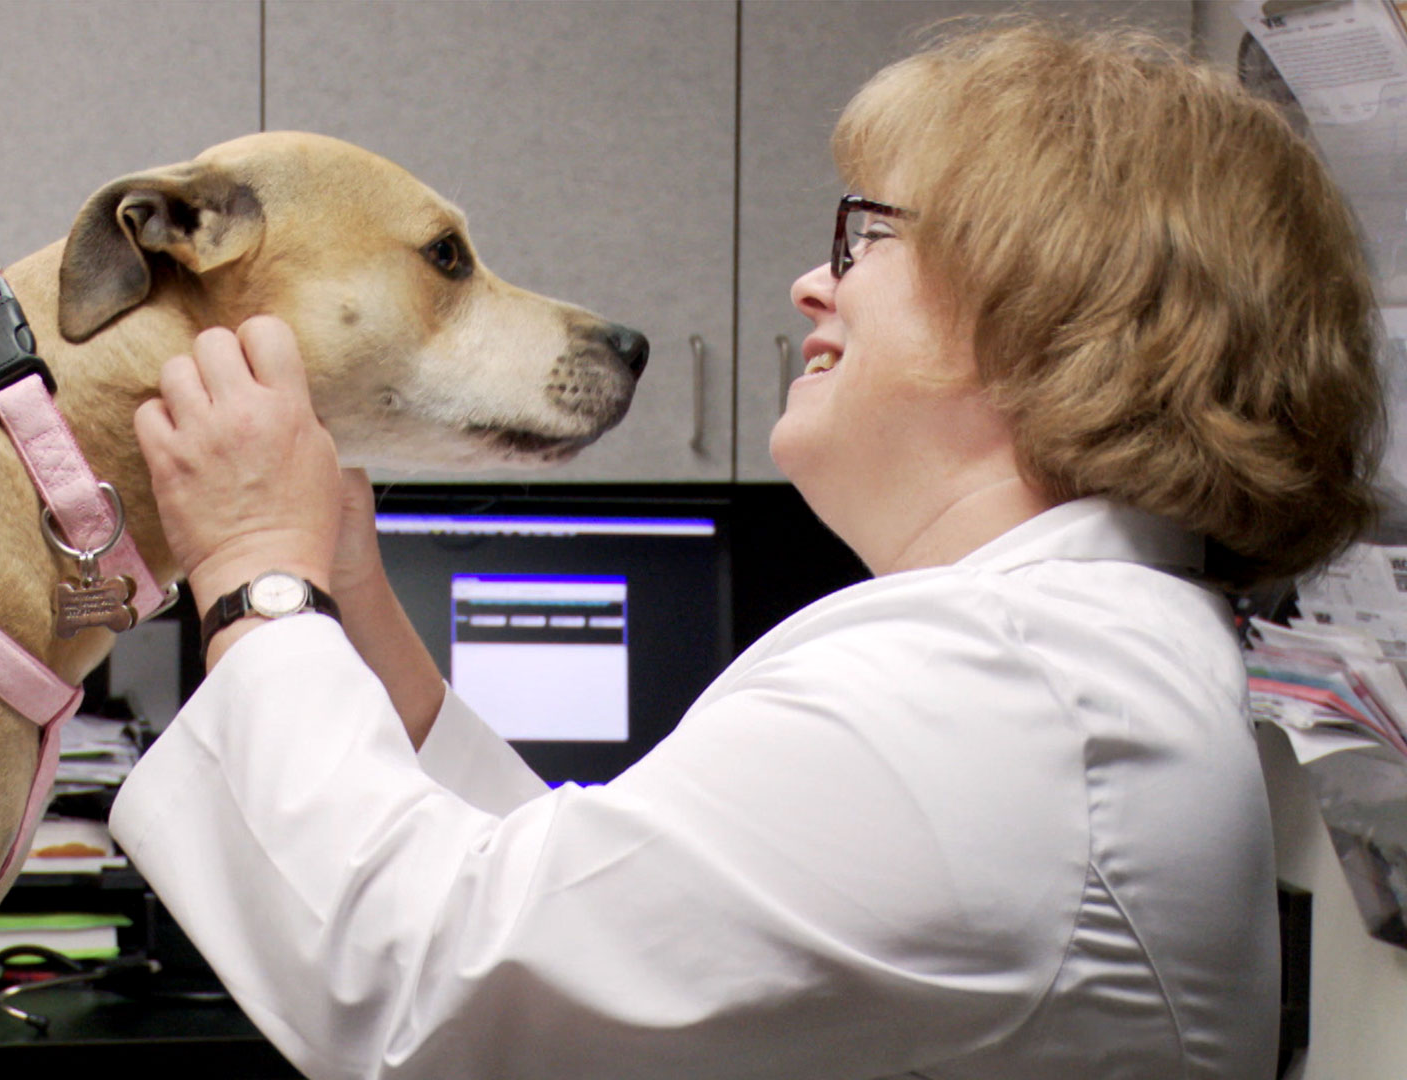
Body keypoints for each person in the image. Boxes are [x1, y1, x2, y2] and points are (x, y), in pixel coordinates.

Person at [112, 19, 1382, 1080]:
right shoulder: (1053, 661)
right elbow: (600, 908)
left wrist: (255, 579)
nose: (812, 285)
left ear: (1057, 305)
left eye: (871, 237)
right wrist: (347, 605)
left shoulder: (987, 693)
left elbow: (428, 986)